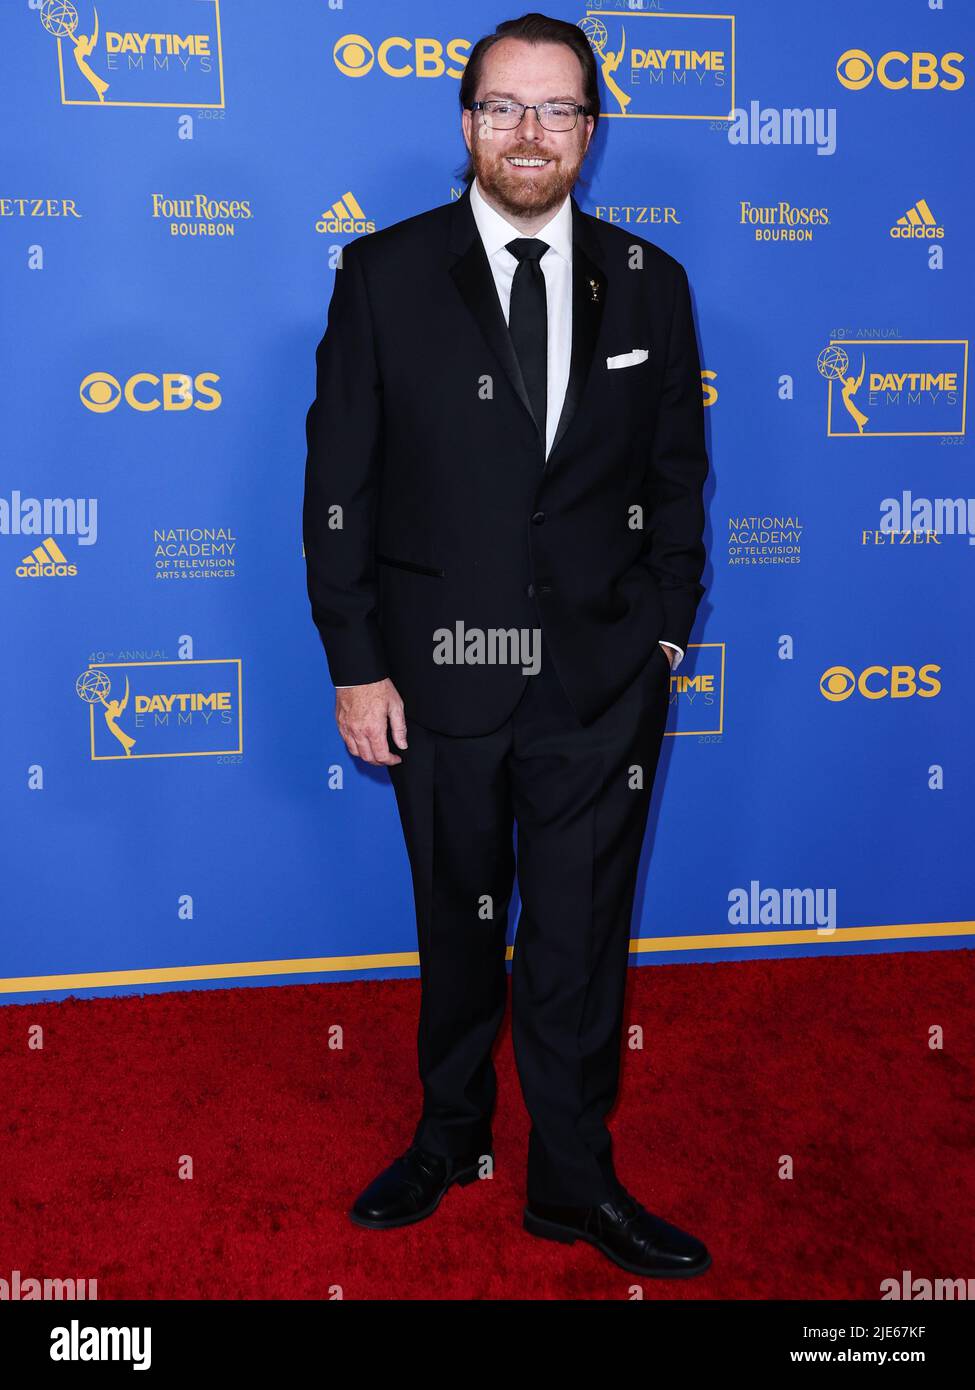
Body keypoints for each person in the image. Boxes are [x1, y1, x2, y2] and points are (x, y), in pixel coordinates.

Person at [303, 11, 710, 1279]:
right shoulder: (383, 275)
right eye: (503, 107)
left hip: (599, 684)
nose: (530, 133)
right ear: (467, 121)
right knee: (457, 925)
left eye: (557, 108)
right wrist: (357, 664)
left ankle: (573, 1182)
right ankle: (451, 1136)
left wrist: (661, 636)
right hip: (436, 679)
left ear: (593, 127)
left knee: (582, 939)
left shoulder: (650, 282)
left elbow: (678, 481)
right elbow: (338, 489)